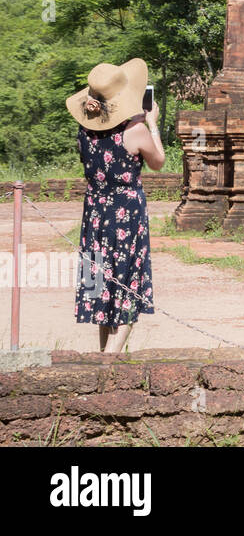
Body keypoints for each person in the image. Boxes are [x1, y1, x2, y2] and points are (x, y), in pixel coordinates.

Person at [65, 59, 164, 352]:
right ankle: (109, 361)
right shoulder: (134, 131)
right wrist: (153, 125)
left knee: (99, 285)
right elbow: (158, 162)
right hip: (126, 213)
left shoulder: (84, 132)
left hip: (94, 212)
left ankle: (102, 357)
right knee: (125, 284)